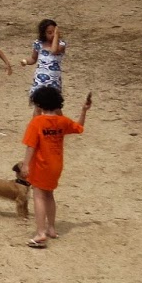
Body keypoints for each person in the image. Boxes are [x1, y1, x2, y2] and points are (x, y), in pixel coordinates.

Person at [21, 87, 91, 248]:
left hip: (41, 164)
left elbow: (31, 146)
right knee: (49, 195)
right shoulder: (62, 121)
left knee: (38, 195)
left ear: (39, 105)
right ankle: (51, 227)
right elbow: (79, 127)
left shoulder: (37, 122)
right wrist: (84, 110)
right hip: (56, 164)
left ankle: (40, 232)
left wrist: (25, 164)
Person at [23, 19, 65, 96]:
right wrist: (26, 61)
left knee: (53, 105)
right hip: (40, 79)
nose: (52, 35)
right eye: (49, 33)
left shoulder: (61, 45)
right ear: (44, 33)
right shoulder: (38, 44)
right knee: (38, 104)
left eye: (54, 32)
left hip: (54, 80)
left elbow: (54, 51)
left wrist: (56, 36)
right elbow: (33, 59)